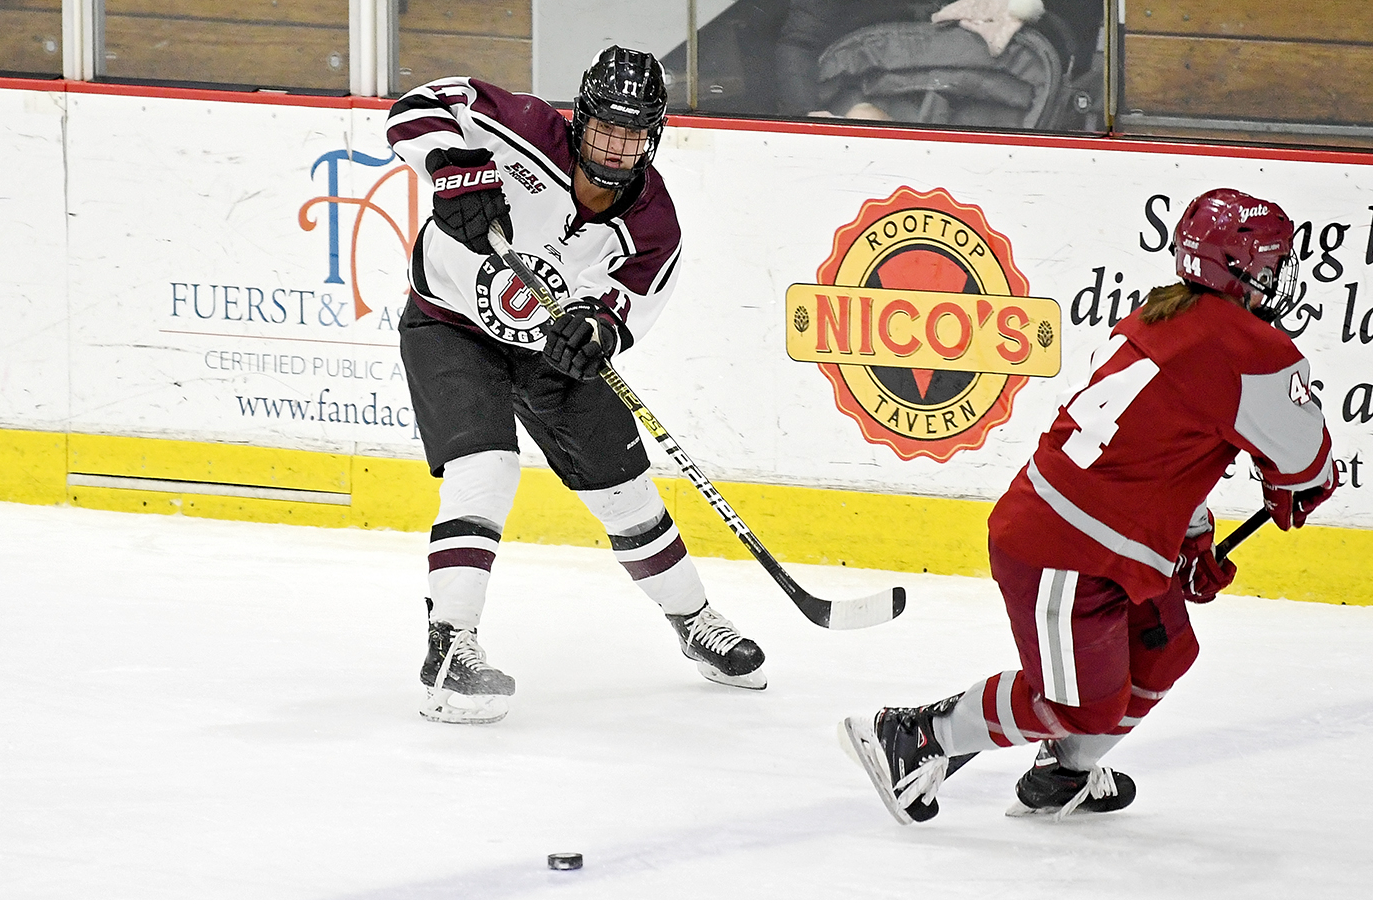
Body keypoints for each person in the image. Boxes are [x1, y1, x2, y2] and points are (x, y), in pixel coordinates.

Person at [841, 188, 1337, 822]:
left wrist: (1193, 537)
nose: (1280, 278)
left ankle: (1064, 772)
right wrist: (1296, 484)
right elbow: (1307, 468)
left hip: (1099, 540)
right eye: (1273, 264)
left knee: (1165, 652)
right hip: (1063, 553)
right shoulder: (1246, 348)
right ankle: (915, 738)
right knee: (1080, 705)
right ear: (1242, 270)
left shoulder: (1161, 315)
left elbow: (1156, 454)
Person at [385, 46, 768, 725]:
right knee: (487, 468)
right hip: (449, 326)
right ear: (579, 118)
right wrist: (450, 169)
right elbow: (419, 108)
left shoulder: (653, 224)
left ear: (654, 138)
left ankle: (695, 620)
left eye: (633, 134)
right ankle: (450, 650)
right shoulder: (524, 127)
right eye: (605, 129)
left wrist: (593, 331)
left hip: (549, 353)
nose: (616, 147)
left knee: (626, 490)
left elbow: (625, 308)